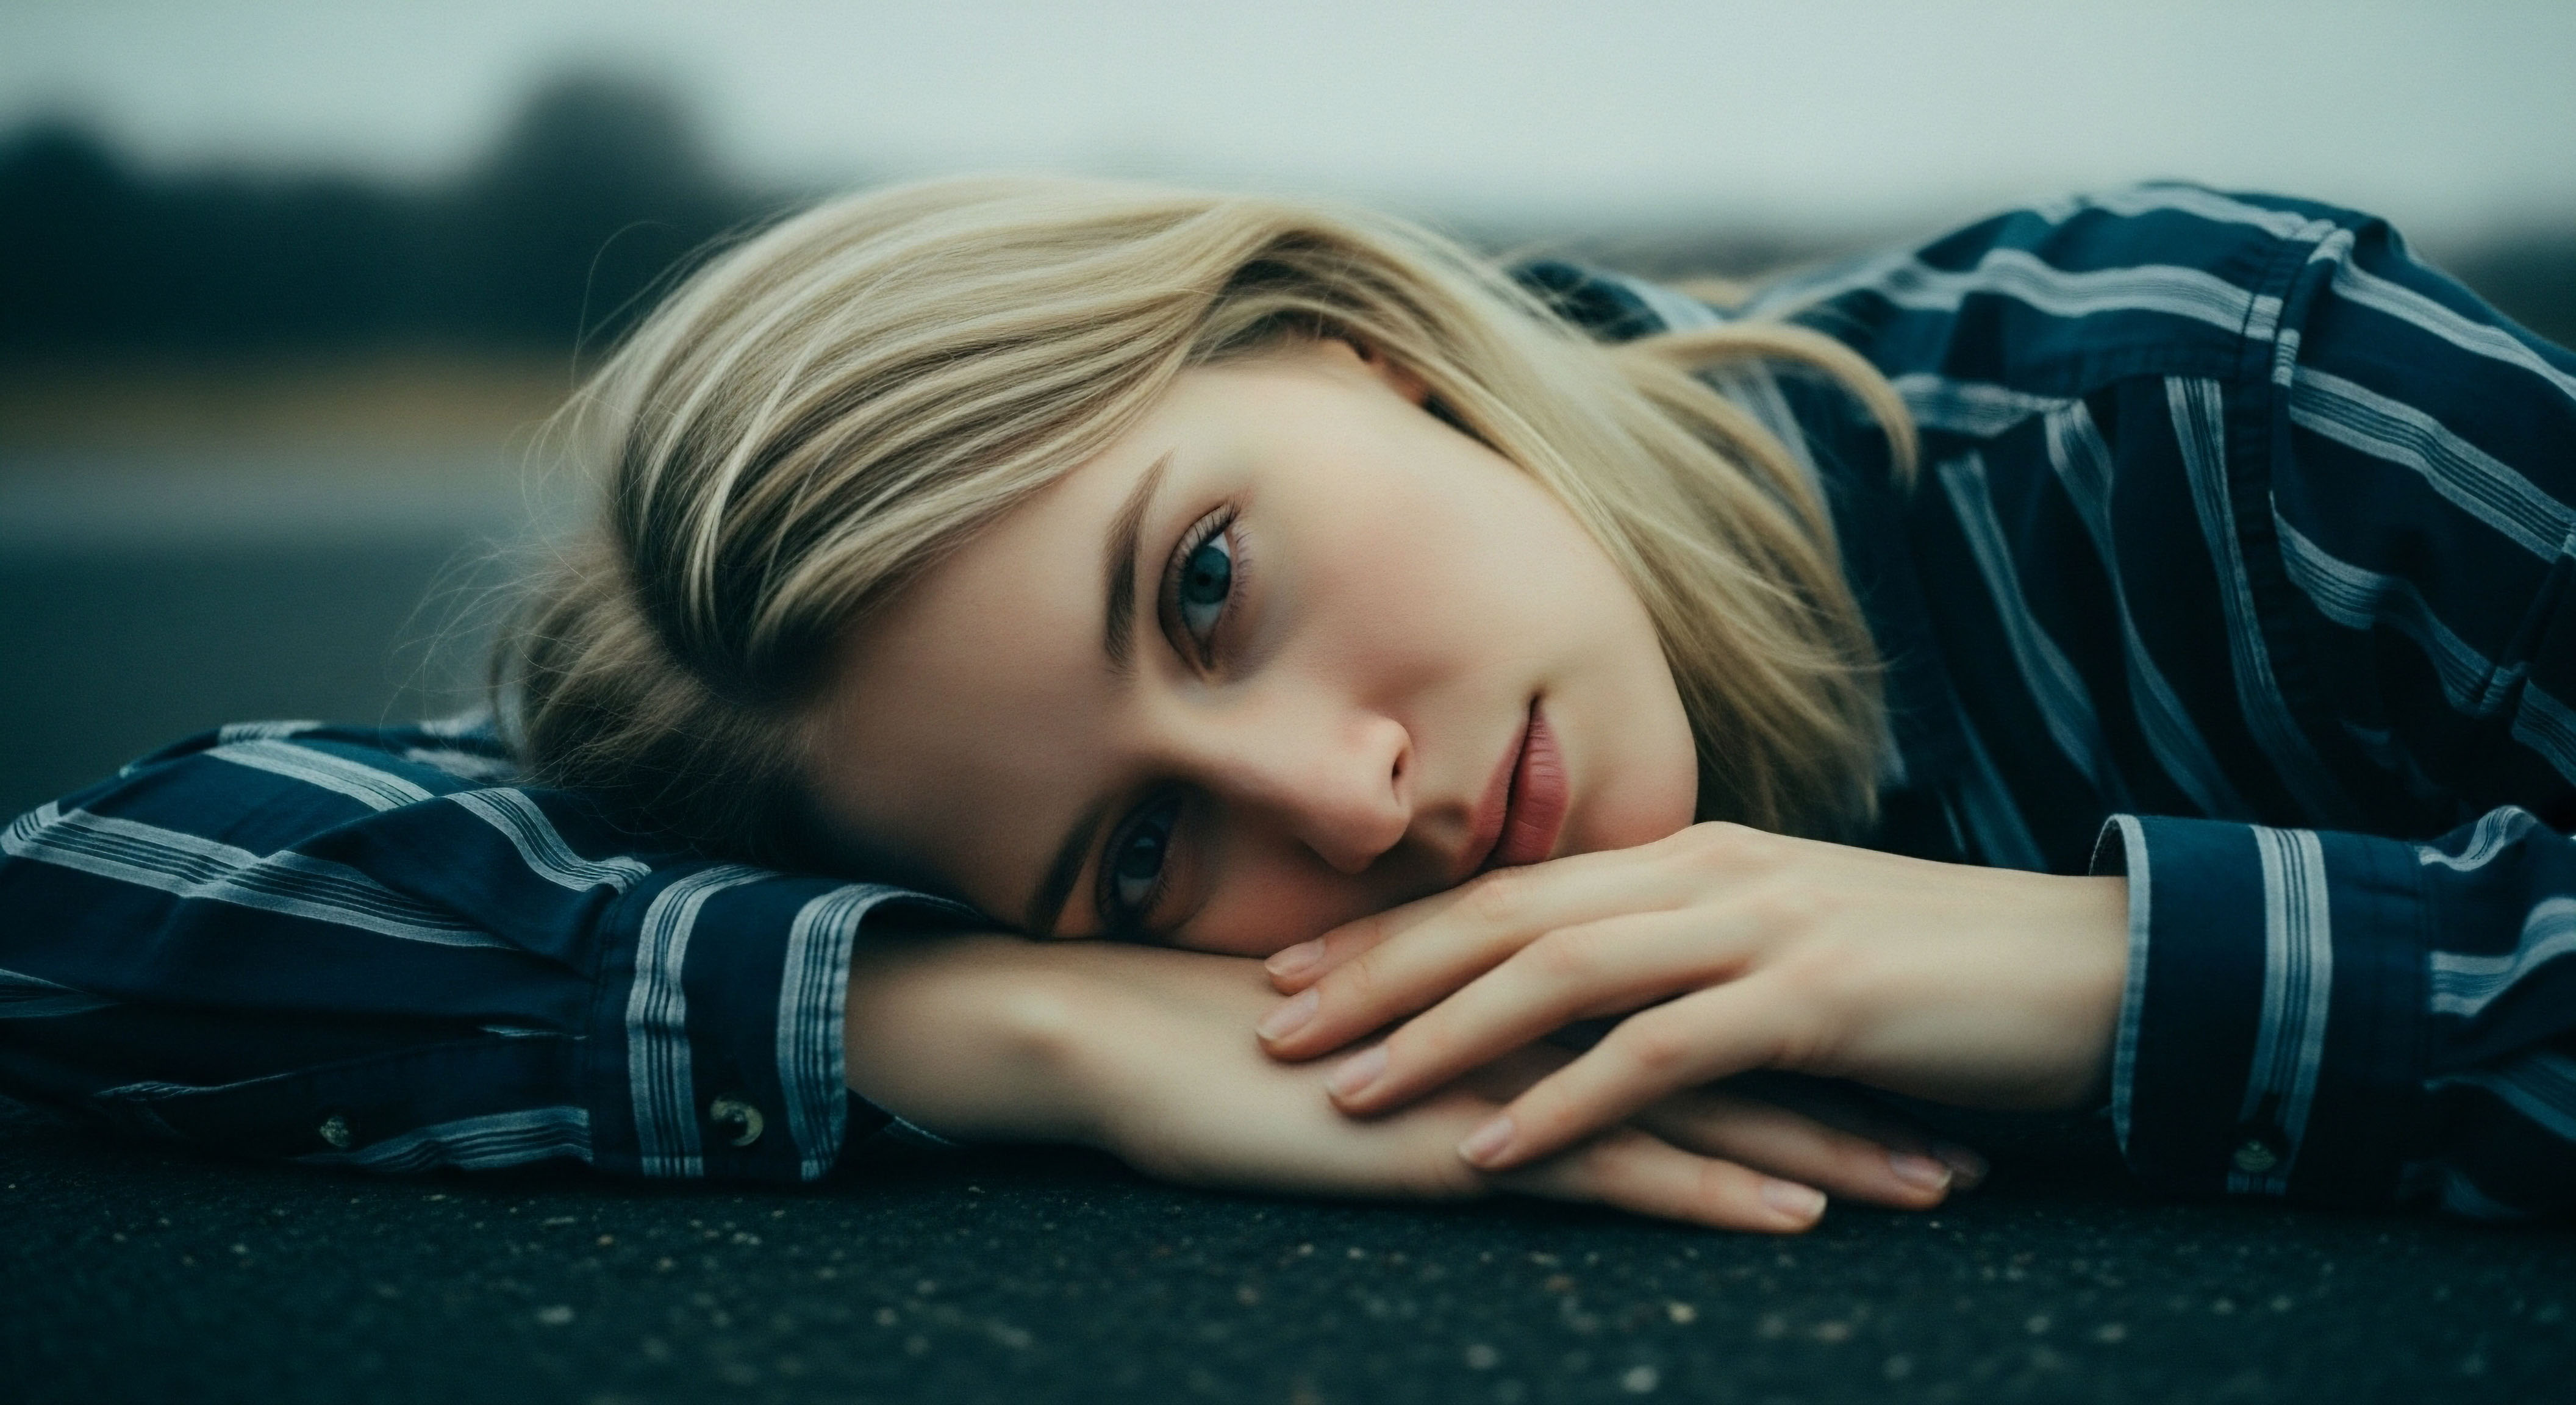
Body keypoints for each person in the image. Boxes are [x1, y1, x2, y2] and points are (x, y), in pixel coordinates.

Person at [2, 178, 2569, 1232]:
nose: (1346, 803)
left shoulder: (2231, 421)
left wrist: (2098, 975)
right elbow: (90, 916)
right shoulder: (1032, 936)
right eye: (1139, 858)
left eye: (1206, 583)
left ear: (1344, 340)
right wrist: (1013, 1021)